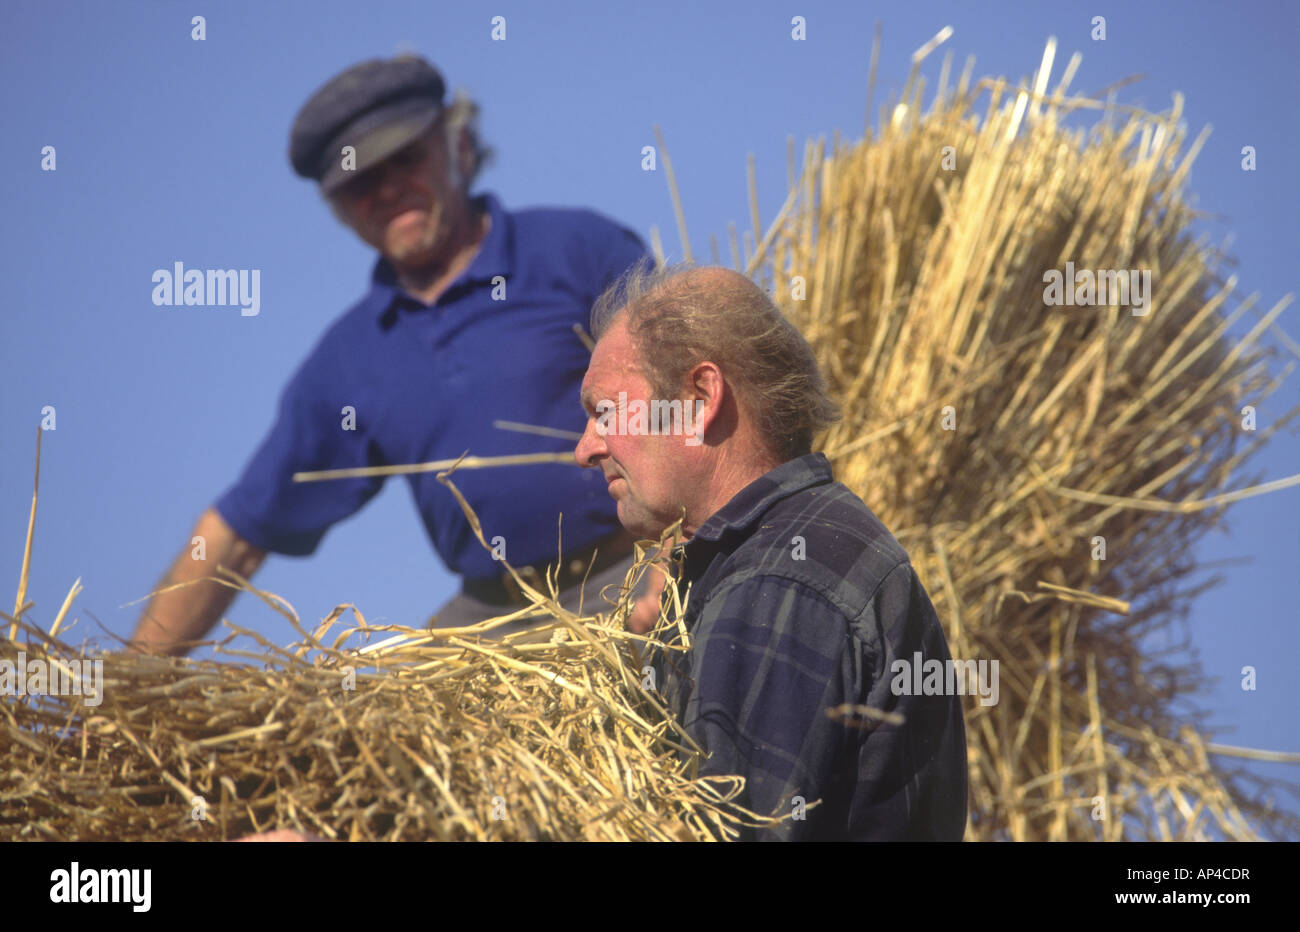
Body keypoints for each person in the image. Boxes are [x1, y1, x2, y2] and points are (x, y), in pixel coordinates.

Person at [131, 55, 649, 656]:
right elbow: (237, 533)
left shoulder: (575, 249)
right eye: (359, 181)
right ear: (339, 208)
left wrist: (674, 550)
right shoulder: (350, 360)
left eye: (405, 158)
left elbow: (682, 385)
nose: (387, 189)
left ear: (456, 144)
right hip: (491, 620)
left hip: (631, 569)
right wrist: (125, 697)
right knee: (370, 732)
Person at [573, 262, 969, 840]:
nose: (585, 449)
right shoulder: (796, 554)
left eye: (604, 412)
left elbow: (729, 830)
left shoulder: (775, 580)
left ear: (699, 397)